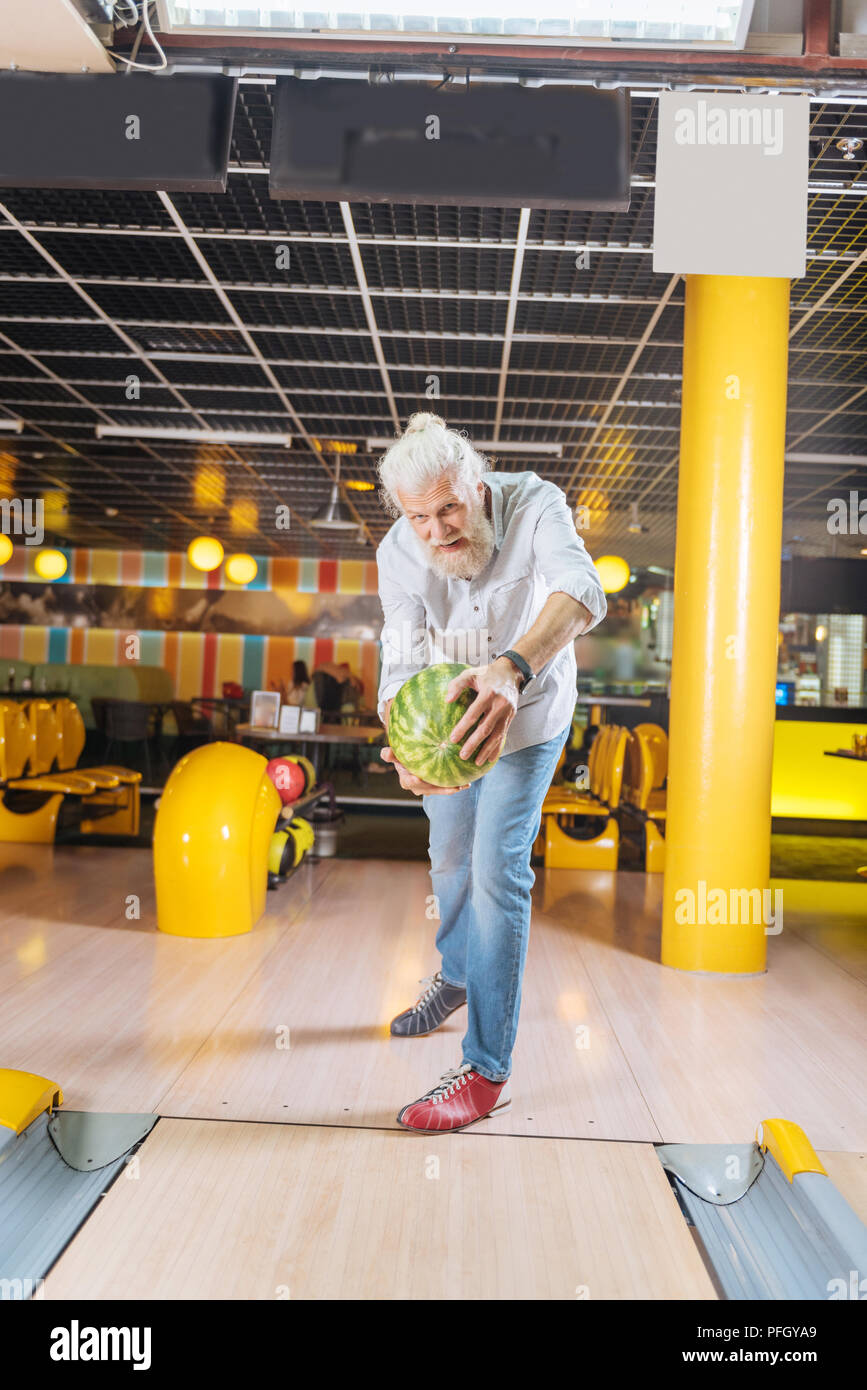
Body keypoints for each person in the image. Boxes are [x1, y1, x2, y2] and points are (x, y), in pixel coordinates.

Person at [376, 412, 607, 1133]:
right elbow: (402, 659)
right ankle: (455, 977)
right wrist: (406, 748)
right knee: (449, 858)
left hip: (529, 712)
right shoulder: (397, 553)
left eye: (448, 507)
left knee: (495, 866)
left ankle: (485, 1072)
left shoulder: (533, 502)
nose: (438, 529)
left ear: (477, 488)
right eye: (419, 517)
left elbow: (581, 590)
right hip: (451, 722)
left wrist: (511, 669)